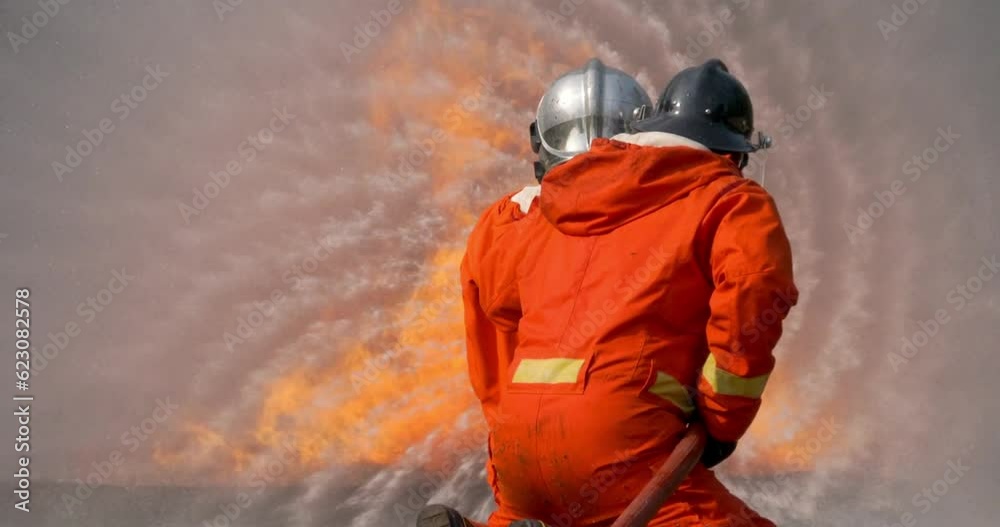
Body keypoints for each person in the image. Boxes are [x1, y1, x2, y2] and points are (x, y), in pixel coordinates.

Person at [477, 58, 798, 526]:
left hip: (516, 447)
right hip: (620, 446)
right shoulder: (732, 200)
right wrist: (724, 417)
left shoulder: (562, 200)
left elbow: (502, 302)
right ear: (730, 154)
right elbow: (755, 289)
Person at [416, 59, 652, 527]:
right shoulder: (647, 227)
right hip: (622, 448)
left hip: (518, 449)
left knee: (524, 512)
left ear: (539, 146)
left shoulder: (500, 224)